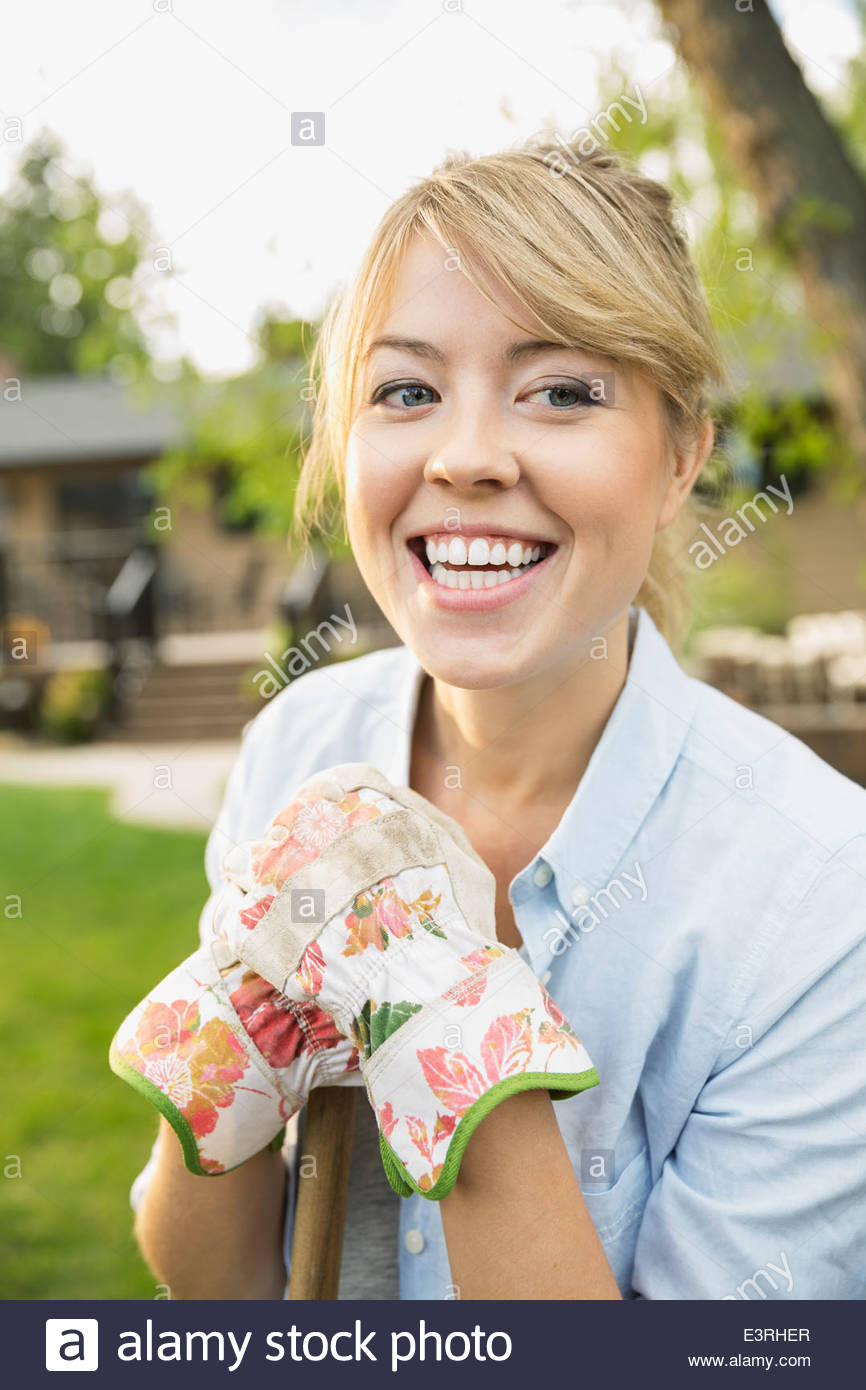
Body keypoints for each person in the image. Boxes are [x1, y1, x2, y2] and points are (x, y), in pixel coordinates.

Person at [115, 136, 866, 1301]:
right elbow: (225, 1299)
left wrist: (452, 1021)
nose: (464, 458)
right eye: (405, 389)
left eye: (561, 391)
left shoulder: (823, 899)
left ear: (679, 459)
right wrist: (225, 1041)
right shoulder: (298, 750)